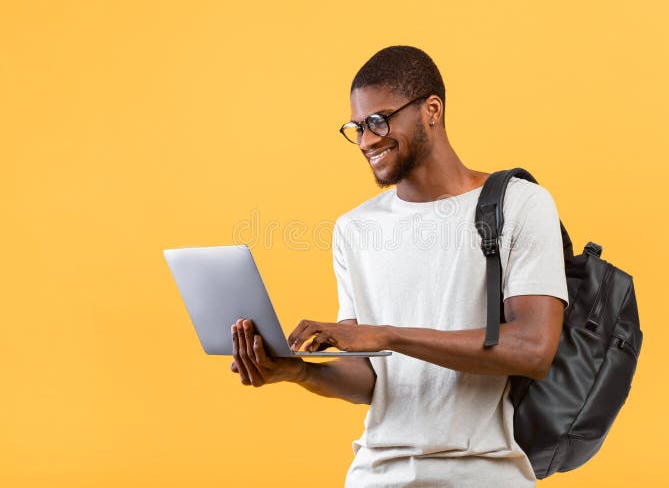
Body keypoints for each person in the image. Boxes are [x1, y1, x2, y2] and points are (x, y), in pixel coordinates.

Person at [229, 45, 569, 487]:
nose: (367, 139)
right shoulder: (355, 228)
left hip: (484, 473)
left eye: (379, 120)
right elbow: (371, 376)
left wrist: (388, 335)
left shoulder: (519, 204)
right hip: (377, 474)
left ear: (431, 110)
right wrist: (296, 370)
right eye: (357, 127)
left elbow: (532, 349)